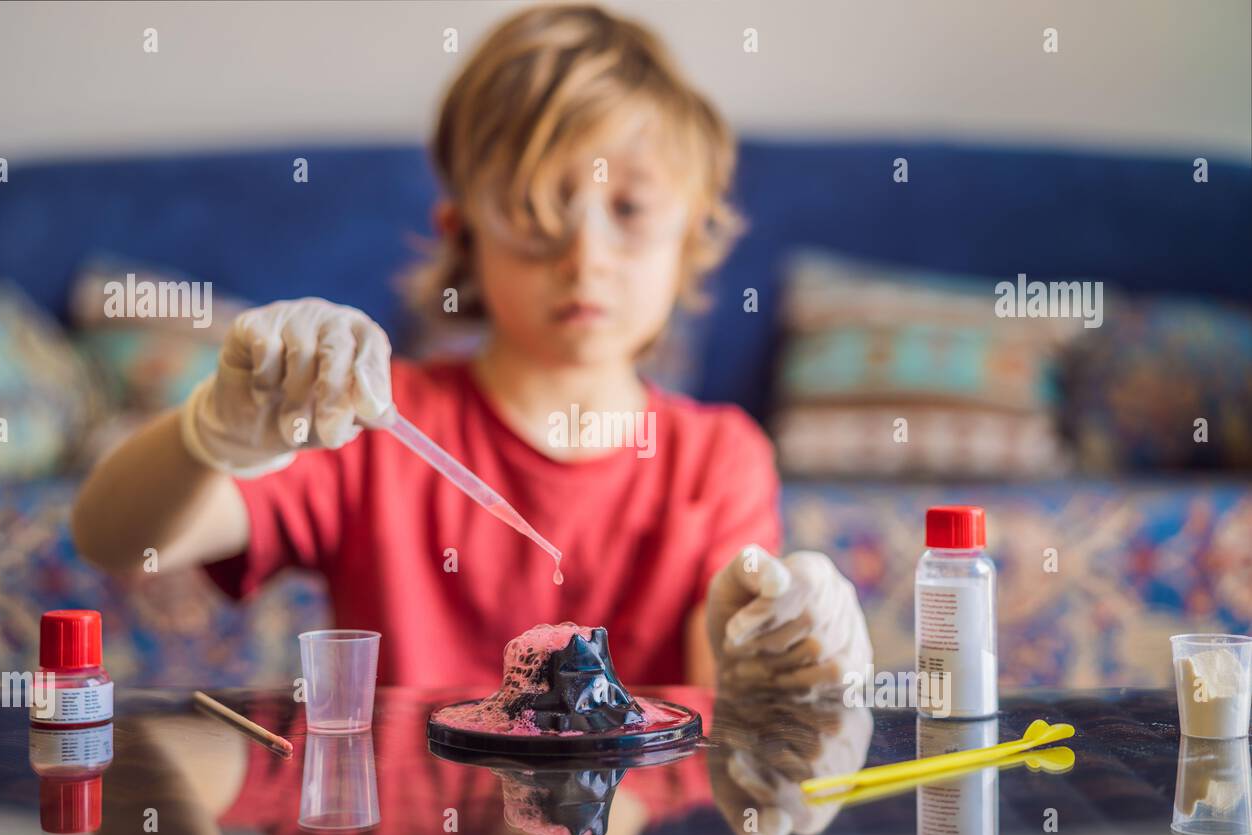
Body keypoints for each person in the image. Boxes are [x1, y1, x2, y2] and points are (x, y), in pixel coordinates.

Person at [72, 4, 871, 692]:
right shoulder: (369, 429)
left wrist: (783, 652)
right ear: (464, 234)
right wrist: (213, 432)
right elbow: (117, 539)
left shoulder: (717, 459)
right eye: (535, 210)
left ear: (692, 235)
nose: (584, 258)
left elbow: (715, 692)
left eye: (627, 208)